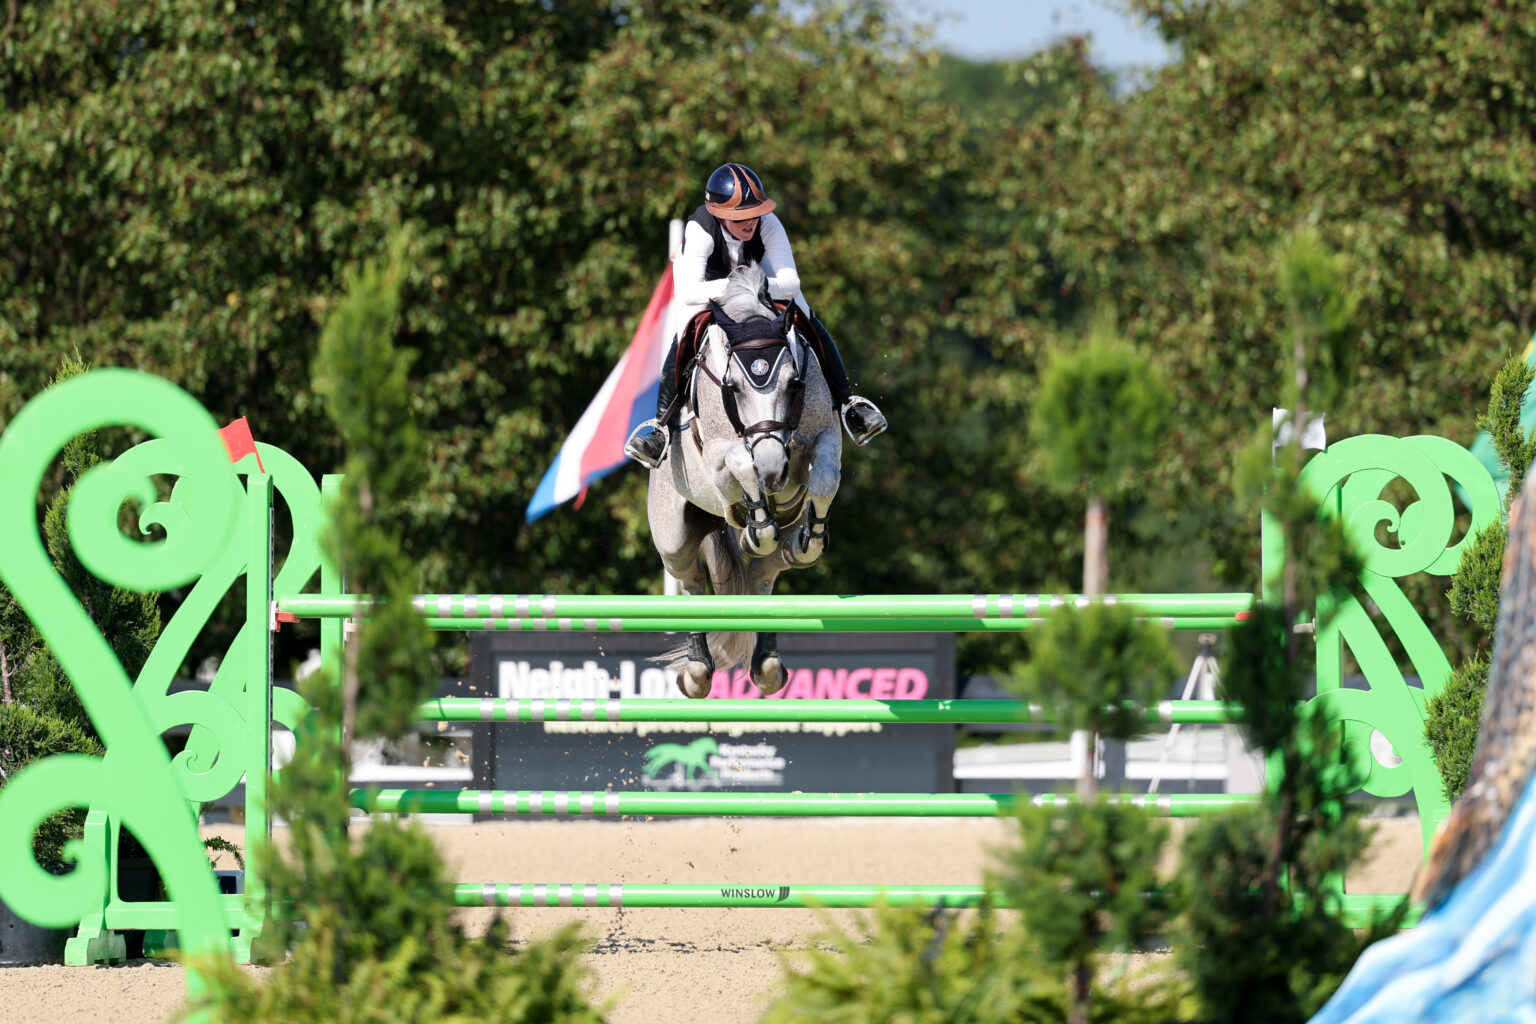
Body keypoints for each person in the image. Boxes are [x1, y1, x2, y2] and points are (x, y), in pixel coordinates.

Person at [624, 162, 887, 469]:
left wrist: (755, 285)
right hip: (708, 286)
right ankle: (660, 428)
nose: (750, 221)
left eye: (754, 213)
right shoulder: (700, 229)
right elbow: (690, 292)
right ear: (720, 214)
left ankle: (848, 404)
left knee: (805, 313)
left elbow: (790, 283)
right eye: (739, 217)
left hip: (761, 281)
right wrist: (737, 285)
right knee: (683, 333)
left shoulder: (769, 223)